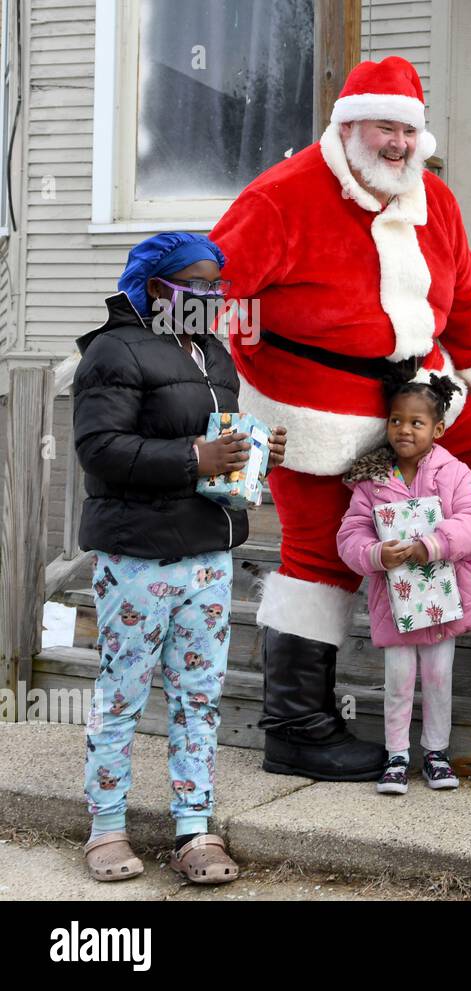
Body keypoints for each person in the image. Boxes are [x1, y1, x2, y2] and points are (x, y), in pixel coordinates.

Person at [209, 56, 471, 781]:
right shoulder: (281, 197)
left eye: (408, 131)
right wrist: (176, 373)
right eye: (385, 127)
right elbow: (207, 284)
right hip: (311, 412)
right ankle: (297, 726)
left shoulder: (434, 201)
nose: (398, 144)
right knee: (320, 559)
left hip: (422, 398)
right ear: (348, 126)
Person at [73, 232, 287, 884]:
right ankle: (106, 826)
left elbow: (216, 447)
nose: (217, 295)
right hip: (138, 558)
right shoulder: (113, 351)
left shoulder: (213, 355)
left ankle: (194, 829)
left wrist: (252, 459)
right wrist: (196, 458)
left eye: (220, 283)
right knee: (124, 697)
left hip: (208, 556)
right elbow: (100, 448)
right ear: (162, 288)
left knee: (199, 698)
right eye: (202, 282)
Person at [336, 377, 471, 793]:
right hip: (396, 603)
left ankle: (436, 753)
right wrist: (375, 554)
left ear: (437, 429)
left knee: (440, 675)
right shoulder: (372, 480)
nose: (404, 430)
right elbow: (350, 533)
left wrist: (434, 544)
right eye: (396, 420)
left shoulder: (453, 473)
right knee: (399, 679)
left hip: (442, 601)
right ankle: (396, 756)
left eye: (416, 422)